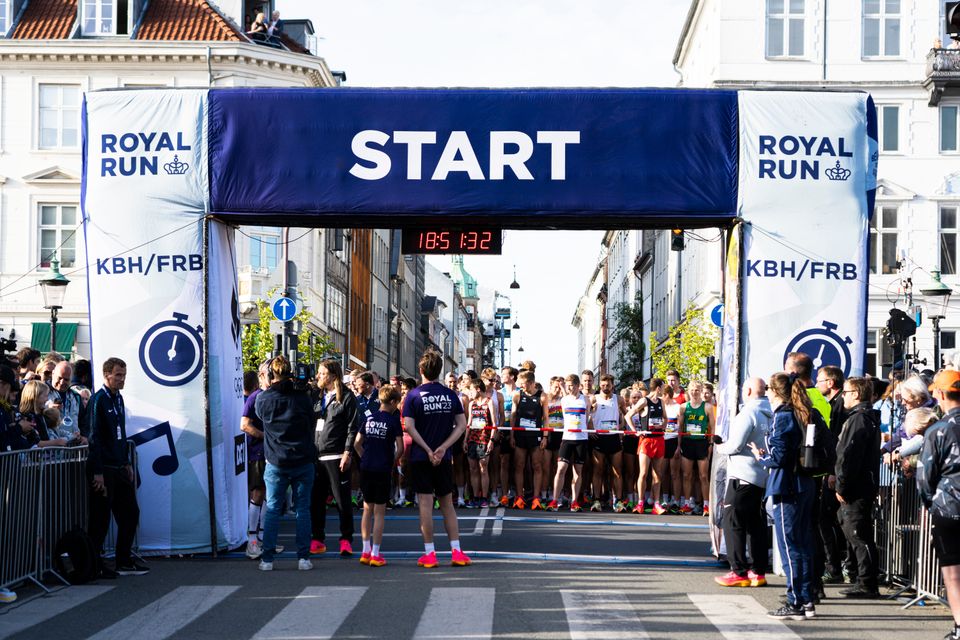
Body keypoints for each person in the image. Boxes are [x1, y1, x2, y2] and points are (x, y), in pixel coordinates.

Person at [750, 372, 816, 621]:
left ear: (776, 392)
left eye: (768, 388)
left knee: (789, 546)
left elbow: (779, 457)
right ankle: (805, 599)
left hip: (787, 485)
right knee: (801, 544)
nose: (766, 392)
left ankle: (795, 601)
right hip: (803, 483)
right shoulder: (801, 412)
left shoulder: (783, 415)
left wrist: (761, 457)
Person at [402, 350, 471, 568]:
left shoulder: (413, 396)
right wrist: (443, 448)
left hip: (421, 456)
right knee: (447, 504)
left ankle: (430, 554)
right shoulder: (450, 395)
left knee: (425, 504)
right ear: (440, 370)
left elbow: (409, 426)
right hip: (444, 456)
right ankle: (456, 551)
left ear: (421, 370)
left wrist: (427, 449)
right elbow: (462, 425)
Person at [87, 357, 148, 577]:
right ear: (107, 375)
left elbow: (121, 434)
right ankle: (94, 564)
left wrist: (126, 461)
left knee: (130, 513)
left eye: (124, 375)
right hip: (104, 468)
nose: (122, 379)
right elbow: (93, 436)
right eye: (118, 375)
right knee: (101, 519)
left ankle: (124, 560)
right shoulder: (98, 400)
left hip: (119, 466)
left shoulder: (118, 399)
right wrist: (97, 472)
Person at [255, 356, 315, 571]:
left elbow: (260, 417)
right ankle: (303, 558)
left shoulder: (263, 399)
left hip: (276, 460)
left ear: (271, 374)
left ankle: (267, 559)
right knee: (302, 509)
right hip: (302, 458)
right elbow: (311, 421)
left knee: (272, 509)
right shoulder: (302, 397)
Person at [714, 377, 771, 588]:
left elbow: (735, 445)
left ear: (747, 391)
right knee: (756, 525)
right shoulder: (771, 412)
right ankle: (758, 571)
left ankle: (738, 571)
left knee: (733, 523)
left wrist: (720, 447)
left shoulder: (748, 412)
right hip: (762, 476)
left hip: (742, 475)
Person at [918, 370, 960, 640]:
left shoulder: (938, 430)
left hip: (949, 507)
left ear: (941, 395)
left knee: (953, 573)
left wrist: (929, 503)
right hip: (948, 504)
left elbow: (925, 476)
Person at [834, 376, 881, 598]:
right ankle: (864, 580)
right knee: (857, 532)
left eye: (845, 393)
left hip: (857, 487)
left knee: (858, 534)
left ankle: (867, 583)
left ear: (855, 394)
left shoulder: (860, 419)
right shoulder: (862, 418)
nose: (843, 397)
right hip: (861, 484)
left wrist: (842, 486)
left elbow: (849, 456)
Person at [311, 358, 358, 556]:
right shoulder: (317, 395)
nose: (318, 376)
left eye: (322, 373)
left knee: (341, 500)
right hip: (317, 456)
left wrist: (347, 452)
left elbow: (352, 426)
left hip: (337, 455)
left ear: (332, 375)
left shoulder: (346, 397)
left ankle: (346, 539)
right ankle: (317, 538)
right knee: (316, 500)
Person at [355, 385, 404, 568]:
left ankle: (365, 551)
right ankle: (375, 553)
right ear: (392, 402)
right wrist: (392, 460)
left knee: (367, 509)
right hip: (382, 468)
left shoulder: (369, 418)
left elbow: (357, 443)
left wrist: (364, 457)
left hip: (367, 466)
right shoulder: (393, 421)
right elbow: (400, 448)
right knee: (380, 512)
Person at [815, 364, 847, 583]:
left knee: (827, 519)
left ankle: (834, 566)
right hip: (832, 469)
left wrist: (832, 471)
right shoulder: (832, 405)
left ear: (830, 382)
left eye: (820, 380)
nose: (817, 385)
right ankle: (836, 564)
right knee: (828, 519)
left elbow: (839, 443)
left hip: (835, 471)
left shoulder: (840, 406)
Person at [242, 360, 271, 560]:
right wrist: (265, 437)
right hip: (258, 453)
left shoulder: (273, 395)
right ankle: (252, 541)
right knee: (258, 492)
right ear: (261, 375)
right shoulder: (255, 397)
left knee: (269, 494)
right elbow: (244, 425)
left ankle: (261, 538)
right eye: (270, 373)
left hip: (272, 453)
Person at [548, 374, 591, 512]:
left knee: (578, 471)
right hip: (567, 438)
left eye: (572, 386)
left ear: (578, 386)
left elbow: (587, 418)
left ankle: (574, 502)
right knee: (561, 469)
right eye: (567, 386)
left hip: (581, 439)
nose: (569, 388)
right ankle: (554, 501)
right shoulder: (564, 400)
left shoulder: (586, 400)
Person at [628, 378, 668, 515]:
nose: (664, 390)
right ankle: (640, 502)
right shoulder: (644, 401)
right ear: (658, 388)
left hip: (659, 439)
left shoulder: (661, 402)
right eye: (663, 387)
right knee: (643, 473)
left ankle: (656, 504)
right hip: (646, 441)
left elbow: (666, 418)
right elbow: (628, 416)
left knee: (657, 474)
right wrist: (636, 431)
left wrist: (662, 426)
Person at [510, 370, 549, 510]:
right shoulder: (517, 395)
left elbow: (546, 418)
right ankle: (519, 497)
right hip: (520, 435)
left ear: (531, 383)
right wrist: (512, 435)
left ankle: (536, 498)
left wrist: (545, 437)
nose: (521, 386)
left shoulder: (542, 396)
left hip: (536, 436)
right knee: (519, 465)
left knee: (537, 466)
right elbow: (513, 416)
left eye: (523, 383)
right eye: (520, 383)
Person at [677, 380, 715, 515]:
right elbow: (680, 428)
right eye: (692, 390)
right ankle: (687, 504)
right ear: (689, 391)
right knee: (686, 475)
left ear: (701, 391)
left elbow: (713, 427)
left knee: (703, 476)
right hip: (687, 442)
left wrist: (711, 444)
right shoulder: (683, 407)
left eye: (697, 390)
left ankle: (706, 506)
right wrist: (678, 445)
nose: (694, 393)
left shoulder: (708, 407)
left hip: (701, 443)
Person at [589, 374, 625, 512]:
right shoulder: (594, 398)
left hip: (614, 437)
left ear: (612, 385)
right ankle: (596, 500)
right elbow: (586, 415)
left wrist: (621, 427)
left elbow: (626, 414)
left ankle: (619, 501)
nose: (605, 387)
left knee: (617, 471)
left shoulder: (619, 399)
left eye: (608, 385)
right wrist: (590, 429)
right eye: (603, 385)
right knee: (598, 470)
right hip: (599, 438)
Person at [464, 378, 495, 507]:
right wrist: (465, 440)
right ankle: (475, 496)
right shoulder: (472, 403)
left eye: (471, 390)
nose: (470, 393)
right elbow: (469, 423)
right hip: (472, 439)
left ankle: (484, 497)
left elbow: (494, 423)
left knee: (483, 468)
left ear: (478, 389)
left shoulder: (489, 402)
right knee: (473, 469)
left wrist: (491, 440)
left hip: (484, 439)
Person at [19, 380, 67, 448]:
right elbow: (35, 443)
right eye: (45, 396)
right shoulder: (27, 417)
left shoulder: (40, 414)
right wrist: (56, 442)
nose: (47, 399)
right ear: (35, 396)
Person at [48, 361, 87, 443]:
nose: (62, 382)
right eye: (59, 378)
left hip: (74, 445)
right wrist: (48, 410)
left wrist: (84, 437)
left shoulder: (76, 396)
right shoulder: (43, 392)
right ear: (53, 374)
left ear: (71, 379)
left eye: (66, 379)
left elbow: (83, 421)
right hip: (54, 446)